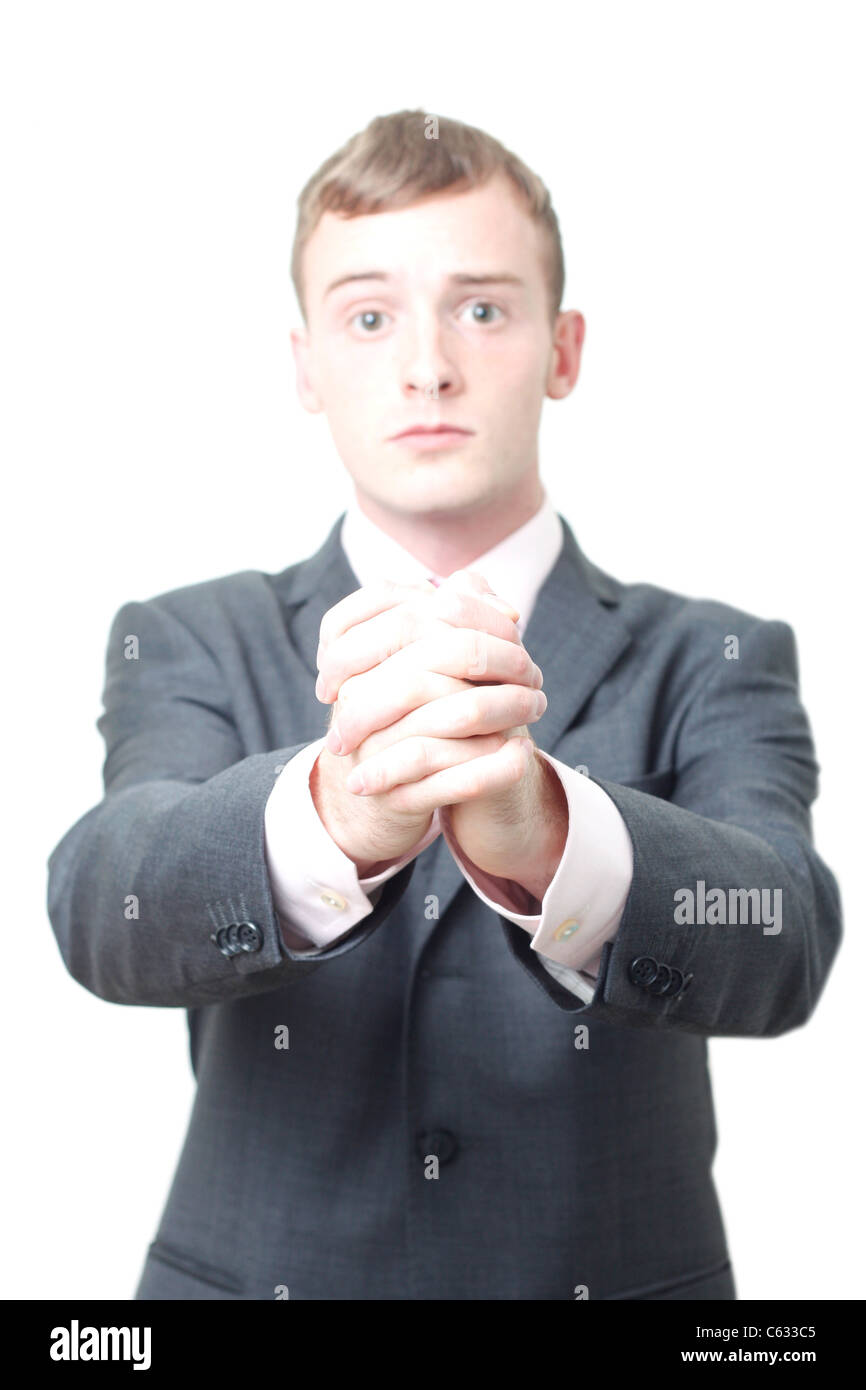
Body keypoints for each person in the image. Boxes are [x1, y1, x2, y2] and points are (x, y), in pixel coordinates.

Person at [46, 108, 842, 1301]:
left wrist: (555, 836)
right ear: (305, 365)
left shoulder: (711, 654)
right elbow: (103, 903)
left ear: (562, 349)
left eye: (480, 308)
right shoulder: (187, 633)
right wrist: (331, 818)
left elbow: (781, 937)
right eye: (368, 317)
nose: (426, 366)